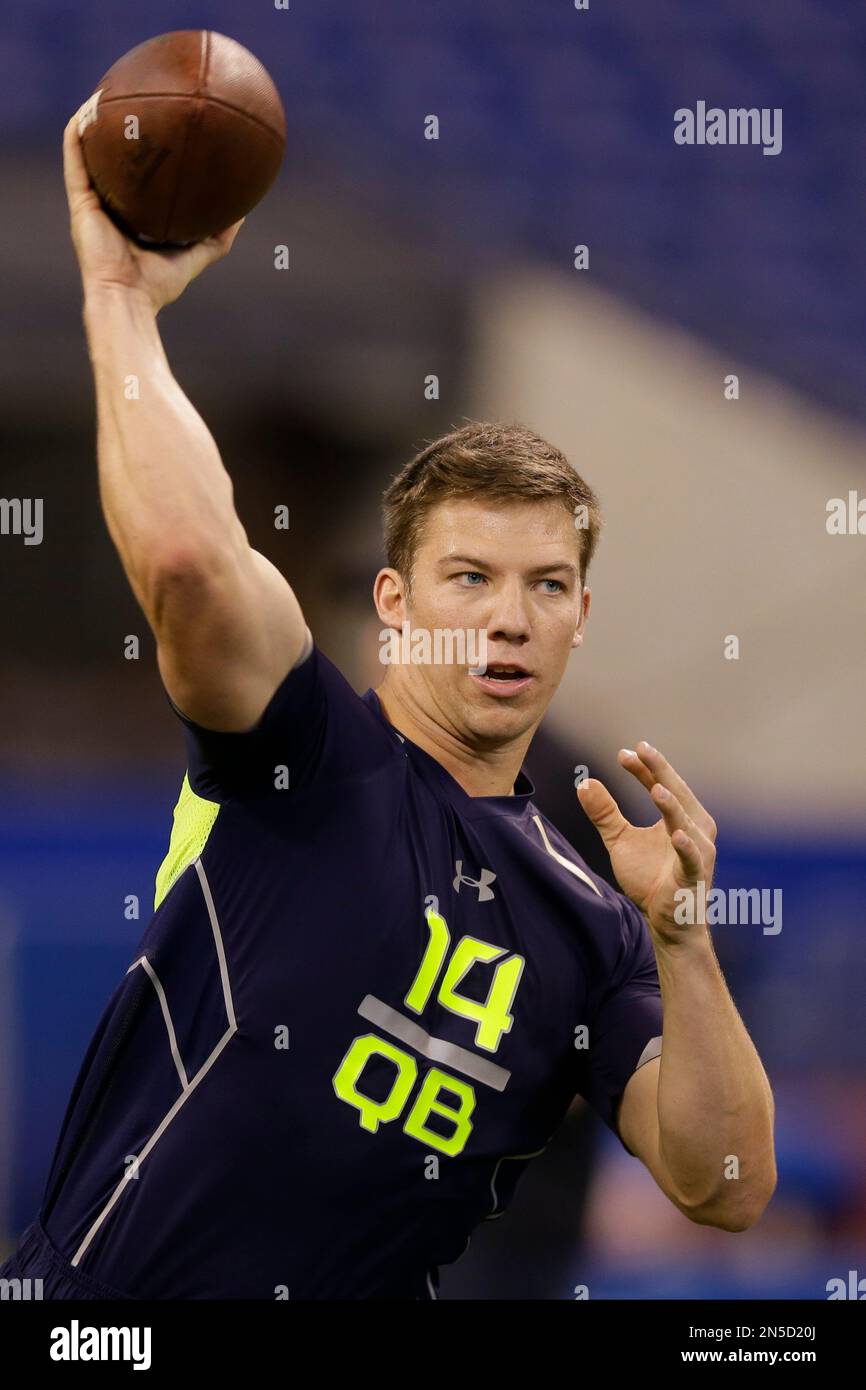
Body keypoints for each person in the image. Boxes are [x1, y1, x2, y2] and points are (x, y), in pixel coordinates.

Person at [0, 112, 776, 1300]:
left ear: (580, 619)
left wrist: (682, 943)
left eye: (546, 586)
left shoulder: (598, 929)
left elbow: (722, 1183)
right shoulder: (302, 755)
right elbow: (189, 562)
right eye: (470, 577)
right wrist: (118, 295)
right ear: (393, 604)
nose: (508, 617)